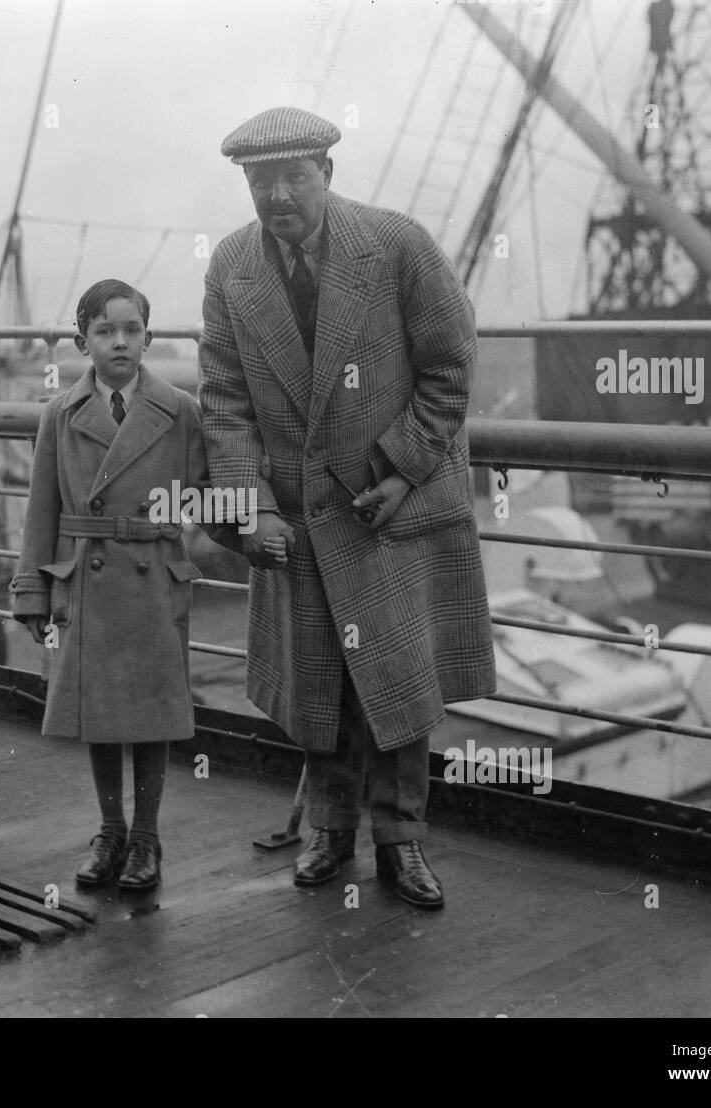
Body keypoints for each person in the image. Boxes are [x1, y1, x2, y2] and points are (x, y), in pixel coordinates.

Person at [198, 107, 498, 909]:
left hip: (390, 512)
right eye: (262, 181)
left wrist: (402, 468)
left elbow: (451, 366)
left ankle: (402, 844)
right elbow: (224, 400)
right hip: (295, 520)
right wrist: (249, 506)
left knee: (399, 685)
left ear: (327, 174)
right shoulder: (231, 266)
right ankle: (331, 832)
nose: (277, 195)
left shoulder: (396, 245)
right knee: (317, 683)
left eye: (294, 176)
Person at [9, 278, 209, 892]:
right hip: (88, 573)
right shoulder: (60, 414)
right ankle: (110, 829)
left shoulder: (180, 410)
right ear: (82, 340)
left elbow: (208, 490)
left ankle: (146, 836)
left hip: (152, 573)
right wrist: (31, 589)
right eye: (105, 331)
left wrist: (205, 528)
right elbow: (41, 505)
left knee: (152, 713)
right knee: (98, 711)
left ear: (148, 337)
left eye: (131, 330)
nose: (119, 342)